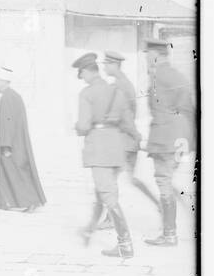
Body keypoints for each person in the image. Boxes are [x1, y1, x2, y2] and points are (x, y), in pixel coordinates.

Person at [73, 52, 133, 258]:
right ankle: (89, 230)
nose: (82, 78)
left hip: (99, 150)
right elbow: (128, 124)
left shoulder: (87, 94)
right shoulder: (116, 92)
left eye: (82, 74)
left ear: (89, 71)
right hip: (116, 148)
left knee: (107, 195)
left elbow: (83, 125)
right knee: (103, 192)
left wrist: (77, 128)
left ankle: (125, 245)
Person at [143, 38, 196, 247]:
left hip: (164, 138)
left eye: (148, 56)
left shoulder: (158, 77)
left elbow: (155, 107)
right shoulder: (178, 75)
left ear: (157, 55)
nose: (147, 60)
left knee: (164, 183)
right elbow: (189, 109)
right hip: (180, 138)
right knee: (168, 180)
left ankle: (169, 234)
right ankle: (173, 227)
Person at [100, 51, 159, 224]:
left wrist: (133, 135)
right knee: (128, 179)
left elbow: (124, 117)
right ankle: (158, 204)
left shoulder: (119, 86)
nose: (104, 67)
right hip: (126, 140)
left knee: (109, 181)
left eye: (106, 64)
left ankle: (111, 219)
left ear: (114, 65)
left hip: (123, 141)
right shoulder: (123, 84)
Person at [0, 67, 46, 212]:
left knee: (17, 173)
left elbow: (7, 123)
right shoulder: (14, 96)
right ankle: (4, 202)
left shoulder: (6, 98)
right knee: (9, 172)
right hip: (18, 142)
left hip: (12, 144)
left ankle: (32, 201)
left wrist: (6, 145)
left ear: (3, 81)